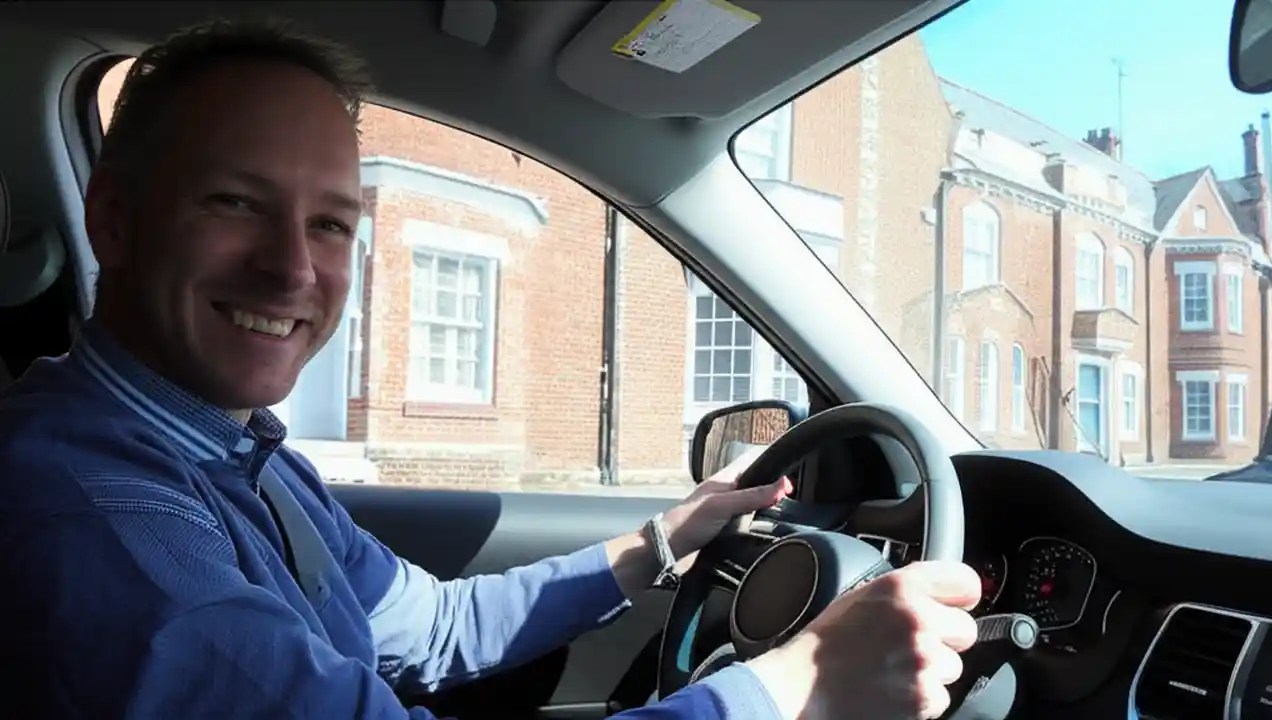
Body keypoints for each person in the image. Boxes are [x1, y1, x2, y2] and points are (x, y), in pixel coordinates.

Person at [0, 18, 982, 720]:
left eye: (333, 222)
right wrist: (797, 685)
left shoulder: (233, 453)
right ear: (114, 222)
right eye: (235, 203)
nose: (294, 267)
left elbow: (427, 627)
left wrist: (669, 534)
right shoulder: (96, 516)